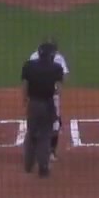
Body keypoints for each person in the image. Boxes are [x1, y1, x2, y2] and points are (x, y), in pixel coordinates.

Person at [20, 41, 64, 178]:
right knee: (45, 135)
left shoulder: (29, 66)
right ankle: (43, 167)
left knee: (31, 133)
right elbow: (58, 89)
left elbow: (25, 86)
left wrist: (25, 100)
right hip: (48, 104)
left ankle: (28, 164)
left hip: (33, 104)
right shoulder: (56, 68)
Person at [28, 38, 70, 161]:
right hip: (36, 95)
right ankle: (33, 150)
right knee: (35, 123)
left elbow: (64, 75)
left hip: (52, 96)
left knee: (55, 124)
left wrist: (58, 84)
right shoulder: (34, 57)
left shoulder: (58, 58)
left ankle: (51, 151)